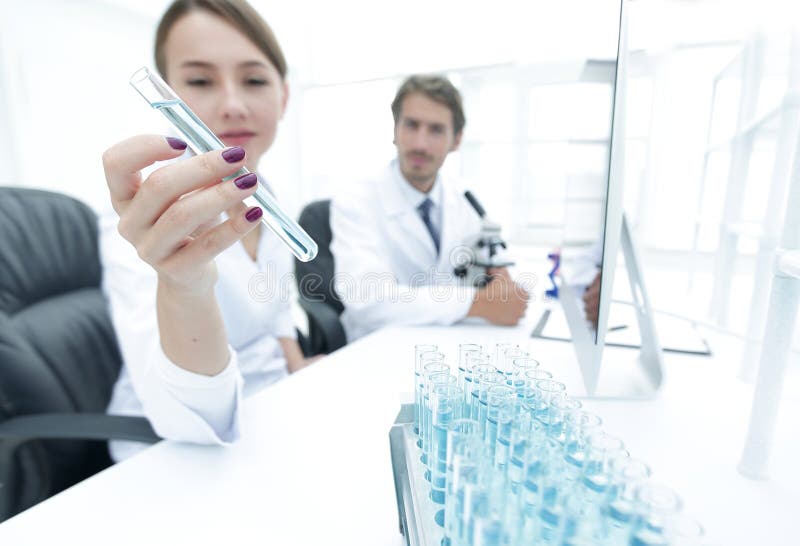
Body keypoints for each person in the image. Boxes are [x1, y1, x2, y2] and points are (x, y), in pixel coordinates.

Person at [100, 0, 315, 461]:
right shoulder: (139, 219)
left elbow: (277, 311)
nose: (233, 104)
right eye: (200, 80)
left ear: (284, 97)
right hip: (168, 455)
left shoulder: (267, 195)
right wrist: (184, 285)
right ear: (168, 95)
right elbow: (184, 417)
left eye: (255, 80)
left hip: (271, 415)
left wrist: (298, 370)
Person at [330, 75, 530, 342]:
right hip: (377, 347)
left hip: (448, 342)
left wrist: (498, 285)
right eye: (411, 125)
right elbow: (368, 300)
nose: (420, 144)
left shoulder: (464, 200)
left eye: (436, 130)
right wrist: (477, 303)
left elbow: (486, 267)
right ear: (394, 130)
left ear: (457, 140)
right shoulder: (355, 200)